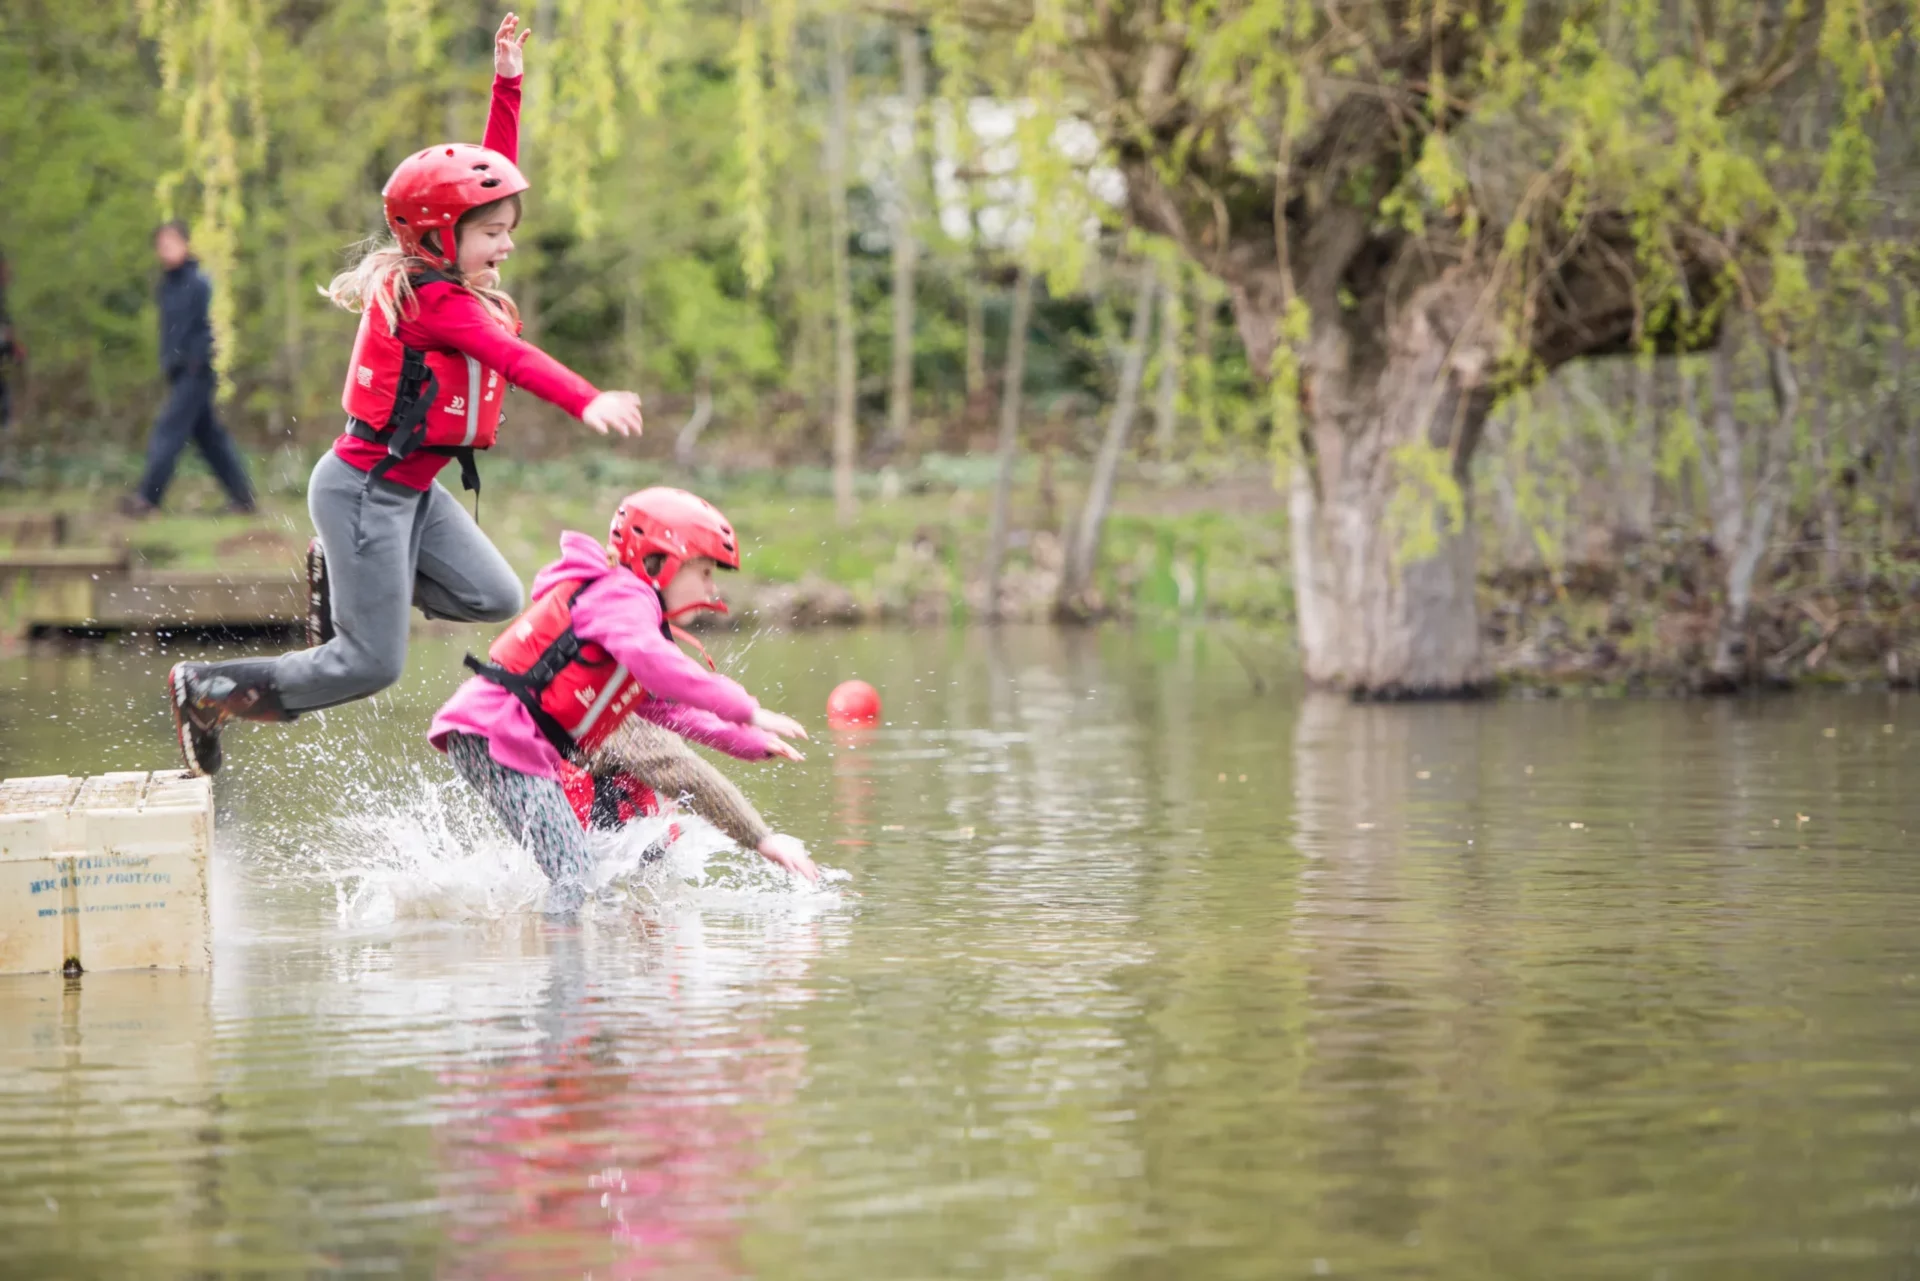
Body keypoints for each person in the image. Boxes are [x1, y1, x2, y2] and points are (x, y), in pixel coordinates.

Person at [166, 13, 646, 777]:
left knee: (494, 594)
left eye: (506, 230)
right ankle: (207, 687)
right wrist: (585, 400)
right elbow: (511, 356)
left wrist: (508, 85)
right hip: (365, 491)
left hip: (410, 495)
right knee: (368, 663)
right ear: (439, 239)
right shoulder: (441, 303)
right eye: (492, 235)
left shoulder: (454, 268)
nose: (507, 245)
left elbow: (490, 177)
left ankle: (343, 571)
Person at [428, 487, 818, 913]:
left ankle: (558, 957)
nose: (712, 588)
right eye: (705, 572)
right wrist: (748, 709)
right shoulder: (622, 601)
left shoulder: (625, 622)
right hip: (498, 735)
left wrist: (746, 739)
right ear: (661, 563)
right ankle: (564, 975)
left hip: (504, 739)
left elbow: (668, 709)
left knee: (577, 877)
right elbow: (661, 670)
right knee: (574, 878)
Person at [119, 222, 257, 517]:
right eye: (161, 245)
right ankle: (243, 499)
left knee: (168, 430)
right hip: (178, 371)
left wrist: (195, 359)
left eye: (171, 243)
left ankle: (147, 499)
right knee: (210, 438)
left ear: (185, 244)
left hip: (196, 371)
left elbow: (206, 326)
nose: (165, 250)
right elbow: (170, 331)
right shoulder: (166, 286)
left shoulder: (198, 282)